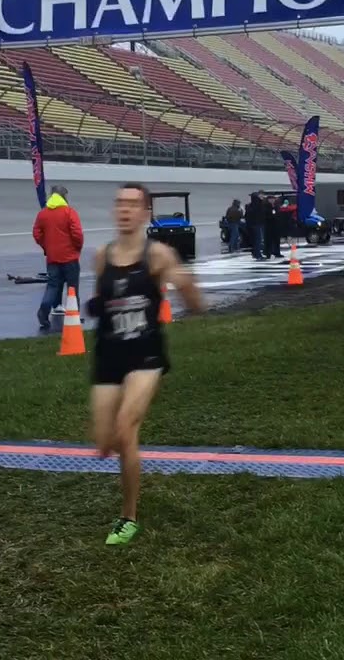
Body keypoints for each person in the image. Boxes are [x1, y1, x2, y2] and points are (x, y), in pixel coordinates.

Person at [86, 183, 206, 545]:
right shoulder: (100, 256)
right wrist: (98, 305)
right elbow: (99, 299)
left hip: (146, 355)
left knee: (126, 430)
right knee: (105, 443)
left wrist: (188, 291)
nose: (125, 210)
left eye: (133, 204)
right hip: (108, 354)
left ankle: (128, 517)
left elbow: (193, 299)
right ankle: (119, 460)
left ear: (145, 213)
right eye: (120, 203)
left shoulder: (159, 256)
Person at [32, 186, 84, 331]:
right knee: (73, 288)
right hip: (70, 257)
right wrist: (77, 248)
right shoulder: (69, 212)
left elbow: (36, 233)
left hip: (52, 257)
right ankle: (74, 316)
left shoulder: (43, 214)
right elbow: (77, 234)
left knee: (52, 286)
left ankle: (43, 312)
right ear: (64, 196)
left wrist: (46, 246)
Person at [244, 192, 266, 261]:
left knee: (254, 240)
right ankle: (258, 254)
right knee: (258, 240)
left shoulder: (249, 206)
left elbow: (246, 216)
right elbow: (261, 214)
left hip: (251, 225)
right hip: (257, 224)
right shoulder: (259, 205)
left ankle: (255, 253)